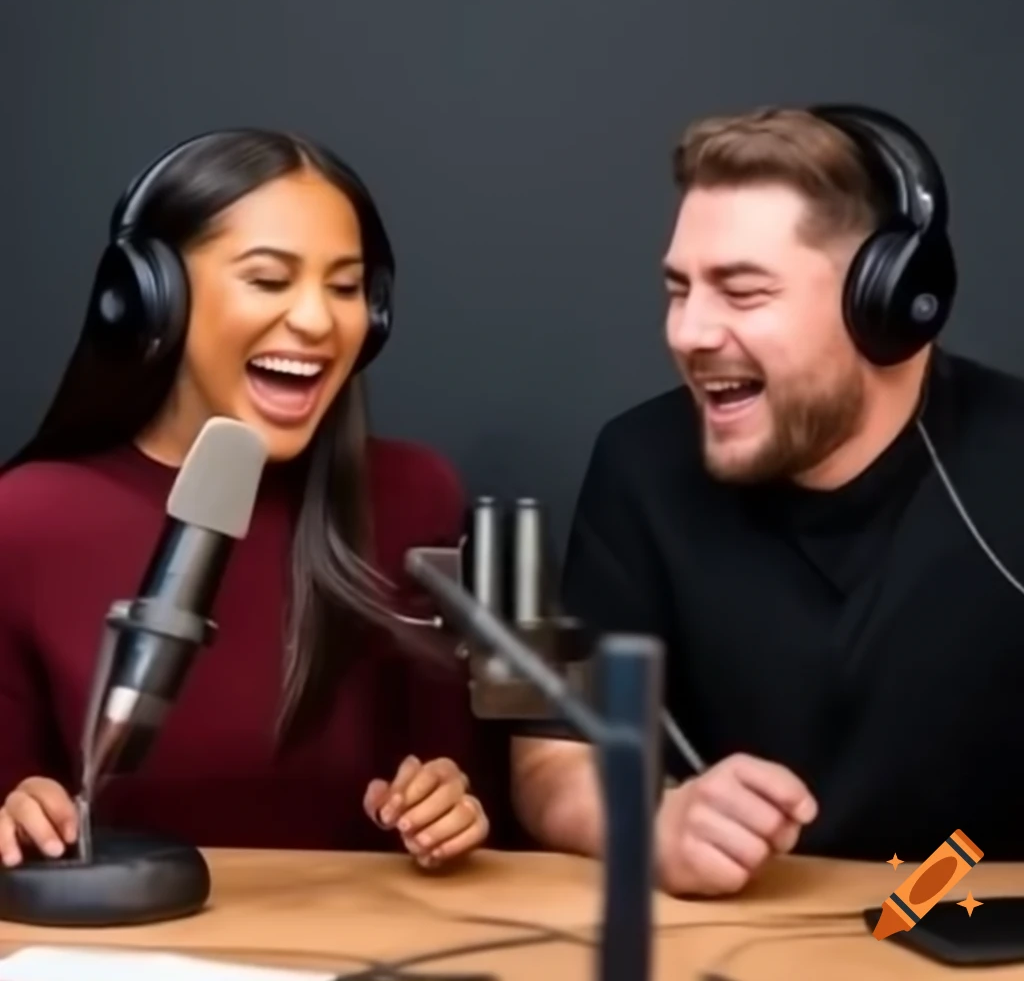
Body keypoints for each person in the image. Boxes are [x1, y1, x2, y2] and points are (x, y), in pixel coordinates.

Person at [511, 103, 1024, 896]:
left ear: (887, 303)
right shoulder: (640, 464)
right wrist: (651, 822)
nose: (688, 331)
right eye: (679, 289)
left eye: (741, 293)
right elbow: (553, 760)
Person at [0, 129, 498, 870]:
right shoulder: (28, 518)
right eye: (269, 280)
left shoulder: (411, 495)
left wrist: (445, 802)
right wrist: (14, 807)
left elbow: (450, 778)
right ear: (149, 300)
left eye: (345, 286)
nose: (318, 321)